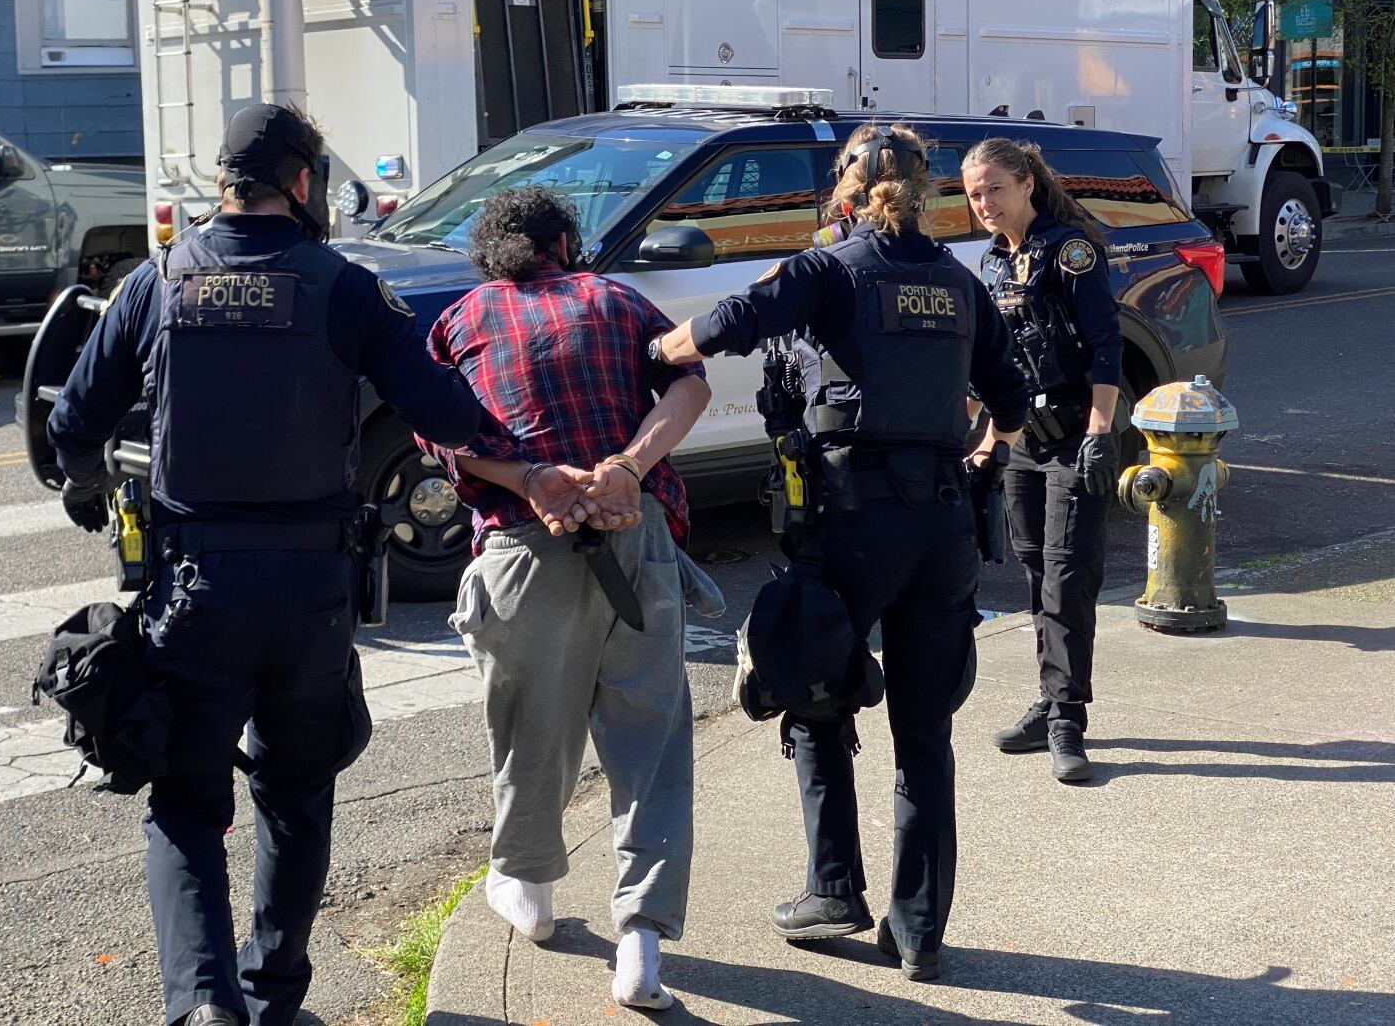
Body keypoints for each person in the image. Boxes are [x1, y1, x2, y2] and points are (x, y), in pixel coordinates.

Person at [47, 102, 483, 1026]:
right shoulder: (344, 285)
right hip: (311, 595)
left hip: (193, 589)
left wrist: (88, 488)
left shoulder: (158, 280)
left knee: (186, 800)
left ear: (221, 184)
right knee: (295, 793)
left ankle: (204, 1006)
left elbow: (74, 423)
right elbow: (446, 417)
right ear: (302, 183)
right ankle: (272, 991)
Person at [652, 124, 1029, 982]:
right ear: (928, 191)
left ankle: (833, 890)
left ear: (847, 193)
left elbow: (732, 321)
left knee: (814, 684)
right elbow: (1009, 395)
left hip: (852, 515)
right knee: (924, 734)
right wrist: (983, 451)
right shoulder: (956, 282)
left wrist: (656, 352)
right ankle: (918, 929)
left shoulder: (830, 268)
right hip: (939, 523)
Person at [416, 185, 713, 1011]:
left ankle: (532, 897)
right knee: (649, 743)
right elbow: (688, 386)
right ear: (563, 241)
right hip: (636, 537)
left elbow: (437, 430)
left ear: (491, 250)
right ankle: (643, 941)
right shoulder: (617, 299)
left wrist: (535, 477)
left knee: (528, 737)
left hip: (521, 552)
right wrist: (625, 468)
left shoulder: (460, 320)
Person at [962, 137, 1124, 784]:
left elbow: (1105, 343)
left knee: (1066, 576)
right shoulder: (994, 263)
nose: (983, 203)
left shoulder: (1070, 250)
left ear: (1026, 184)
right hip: (1022, 438)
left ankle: (1066, 720)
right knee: (1034, 570)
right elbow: (992, 363)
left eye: (994, 189)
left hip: (1071, 435)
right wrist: (986, 440)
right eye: (974, 194)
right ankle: (1048, 698)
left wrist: (1100, 432)